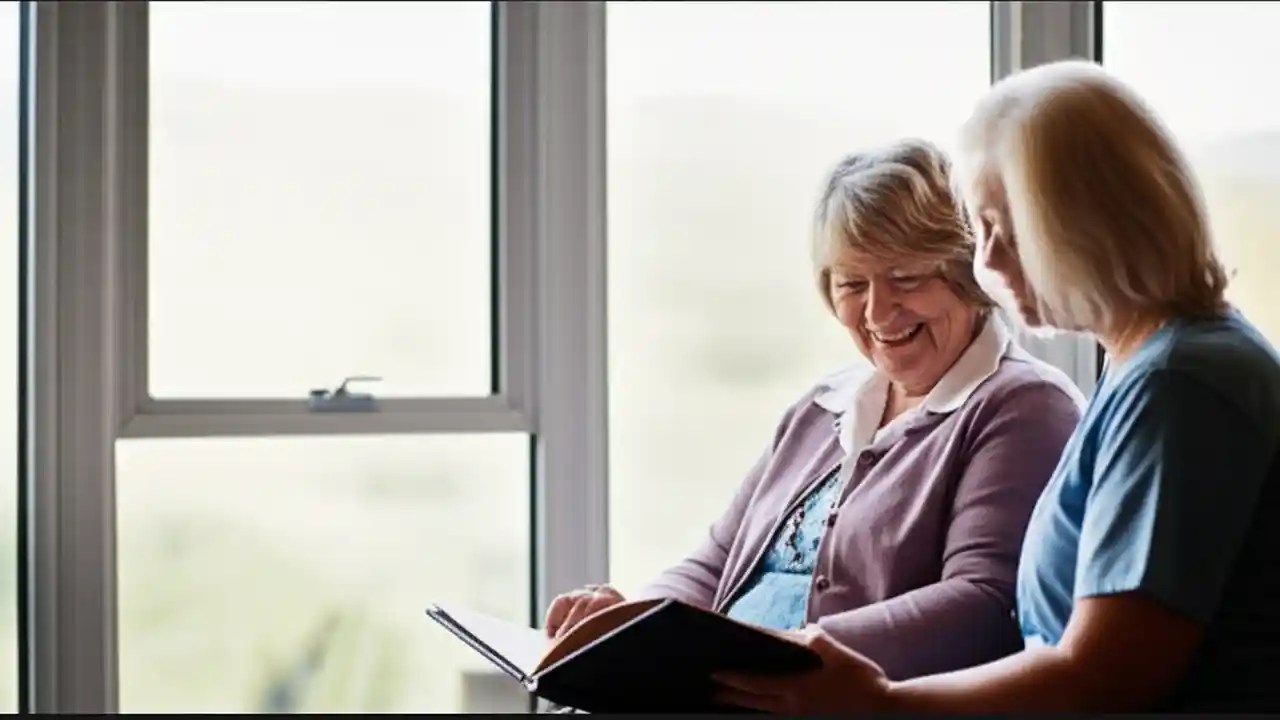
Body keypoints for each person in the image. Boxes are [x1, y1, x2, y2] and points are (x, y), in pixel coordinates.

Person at [713, 59, 1280, 714]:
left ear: (1084, 223)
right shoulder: (1148, 366)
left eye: (999, 231)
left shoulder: (1180, 387)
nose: (983, 265)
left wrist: (880, 704)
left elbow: (1107, 677)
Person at [545, 138, 1083, 682]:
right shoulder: (821, 408)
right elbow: (716, 561)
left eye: (905, 279)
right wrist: (629, 626)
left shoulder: (1022, 406)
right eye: (852, 283)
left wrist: (774, 652)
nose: (877, 311)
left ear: (968, 272)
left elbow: (982, 606)